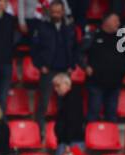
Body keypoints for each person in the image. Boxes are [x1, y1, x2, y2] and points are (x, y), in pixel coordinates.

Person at [31, 2, 80, 141]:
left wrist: (72, 65)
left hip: (65, 69)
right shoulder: (41, 27)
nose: (56, 15)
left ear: (63, 12)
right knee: (44, 103)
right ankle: (39, 133)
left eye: (59, 12)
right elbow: (34, 49)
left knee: (65, 105)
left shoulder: (70, 27)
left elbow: (76, 47)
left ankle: (62, 134)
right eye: (53, 12)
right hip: (48, 70)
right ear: (49, 12)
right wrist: (40, 65)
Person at [83, 13, 125, 123]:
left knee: (112, 114)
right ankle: (91, 138)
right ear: (106, 22)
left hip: (115, 83)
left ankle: (111, 138)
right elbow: (79, 52)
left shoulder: (121, 37)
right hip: (96, 82)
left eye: (118, 21)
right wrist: (85, 67)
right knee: (94, 113)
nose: (118, 23)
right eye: (115, 21)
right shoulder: (93, 35)